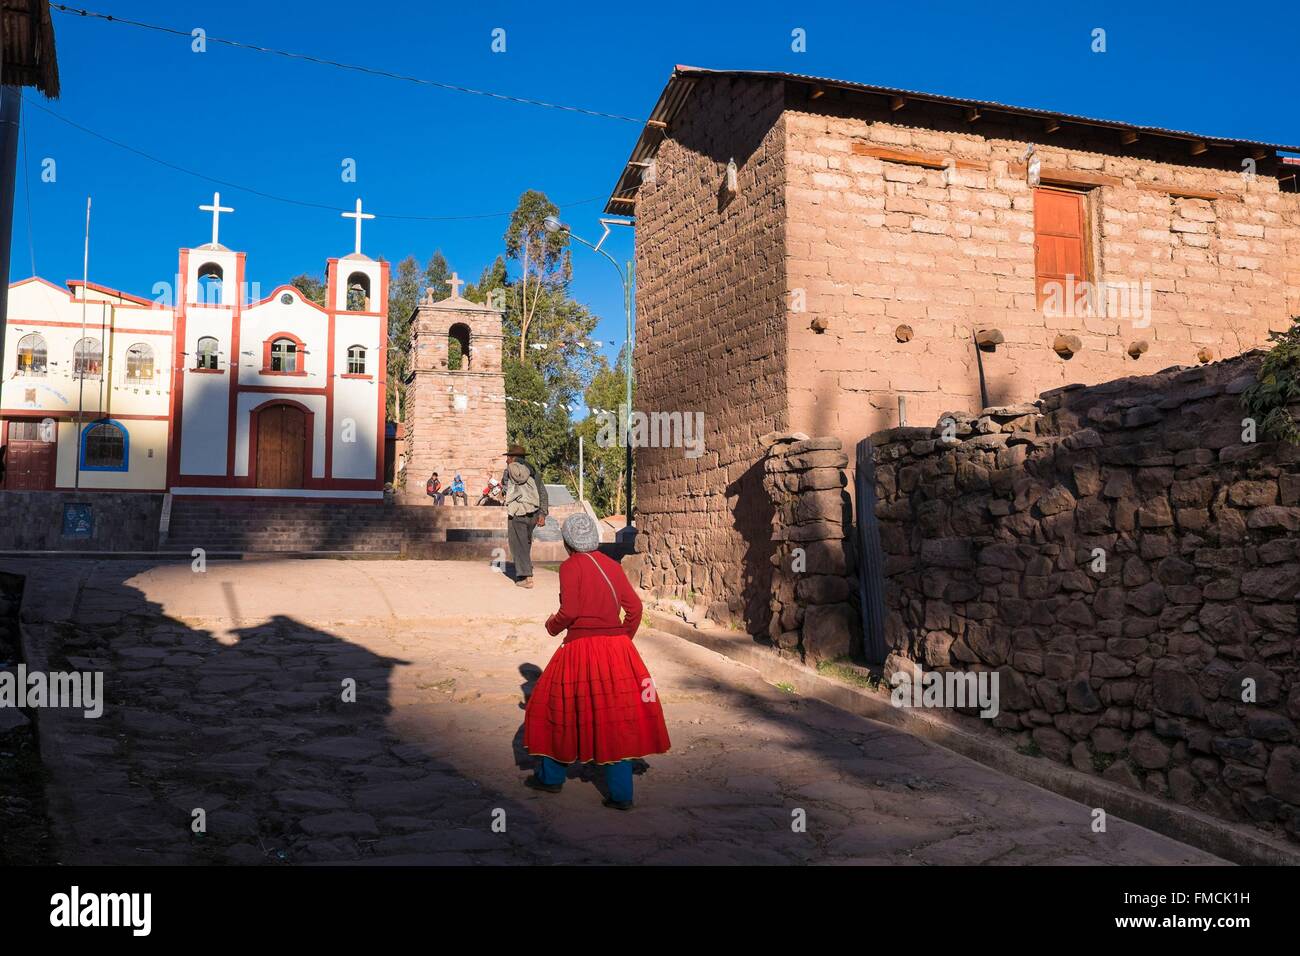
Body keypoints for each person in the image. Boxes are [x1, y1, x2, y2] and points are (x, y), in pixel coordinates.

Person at [523, 513, 670, 810]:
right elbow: (635, 608)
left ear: (568, 543)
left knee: (559, 706)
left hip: (580, 648)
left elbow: (571, 609)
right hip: (617, 651)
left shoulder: (570, 567)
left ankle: (551, 778)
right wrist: (621, 639)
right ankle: (621, 794)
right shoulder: (612, 566)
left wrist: (552, 625)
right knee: (615, 715)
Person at [502, 444, 548, 588]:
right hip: (533, 513)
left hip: (517, 513)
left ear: (513, 457)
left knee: (517, 544)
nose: (507, 460)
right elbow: (542, 492)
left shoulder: (509, 471)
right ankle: (525, 569)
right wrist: (542, 513)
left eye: (508, 457)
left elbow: (505, 490)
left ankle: (525, 577)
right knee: (526, 542)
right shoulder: (533, 471)